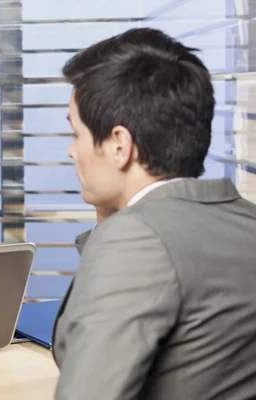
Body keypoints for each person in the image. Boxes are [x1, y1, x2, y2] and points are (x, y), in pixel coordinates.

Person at [51, 27, 256, 399]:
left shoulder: (136, 240)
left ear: (119, 145)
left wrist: (119, 230)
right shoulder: (246, 222)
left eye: (76, 134)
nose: (71, 151)